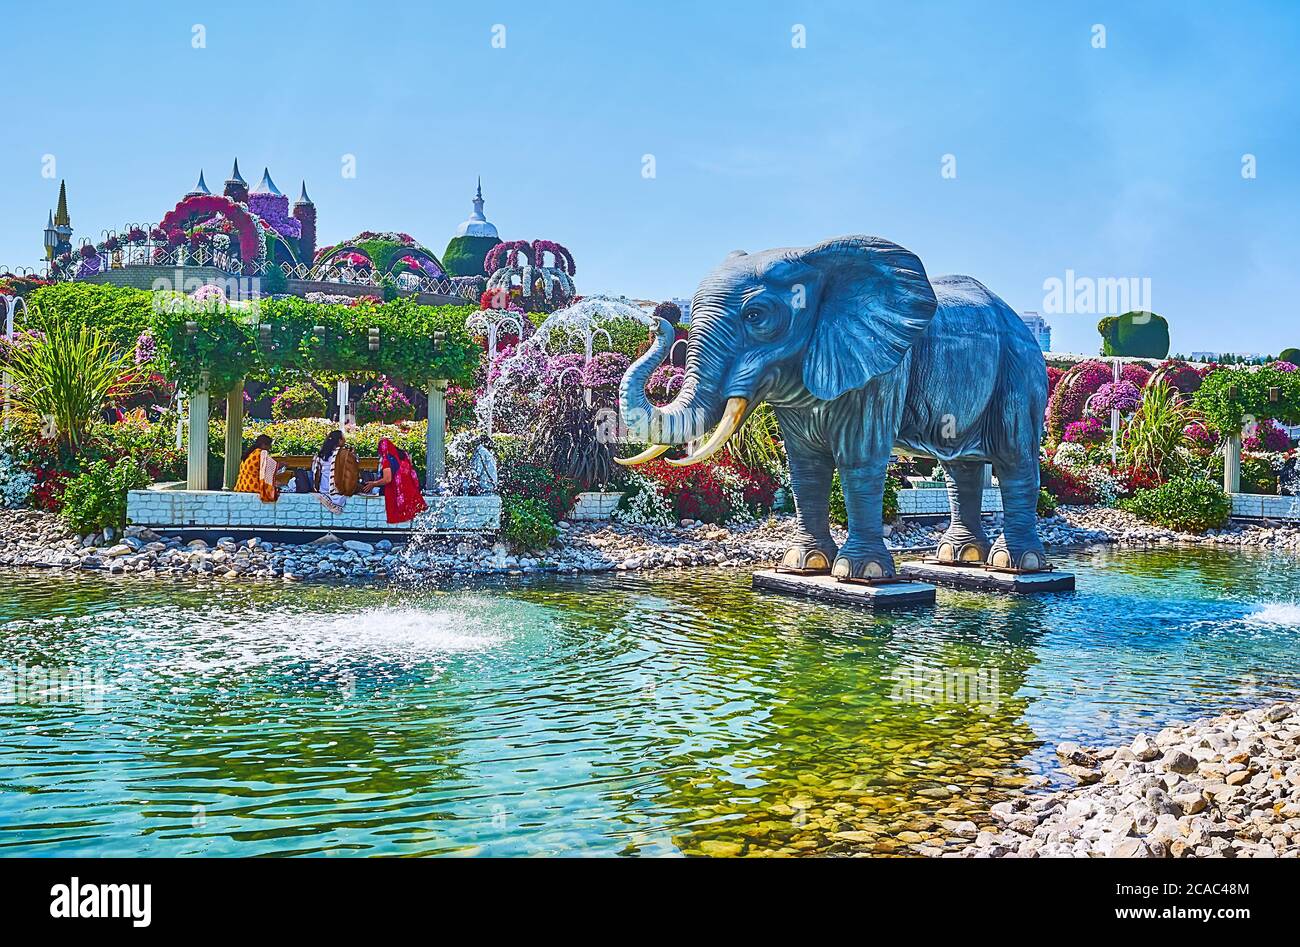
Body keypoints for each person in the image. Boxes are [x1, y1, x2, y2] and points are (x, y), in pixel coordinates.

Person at [369, 437, 428, 524]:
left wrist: (373, 484)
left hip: (396, 492)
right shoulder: (403, 455)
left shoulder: (387, 460)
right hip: (411, 492)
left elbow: (387, 479)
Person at [233, 434, 281, 502]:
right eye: (269, 445)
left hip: (241, 486)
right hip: (252, 486)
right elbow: (270, 466)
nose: (270, 447)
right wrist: (281, 465)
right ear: (263, 444)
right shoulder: (261, 452)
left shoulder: (250, 453)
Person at [310, 430, 349, 514]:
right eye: (343, 438)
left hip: (323, 489)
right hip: (338, 491)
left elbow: (315, 473)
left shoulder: (320, 455)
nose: (345, 440)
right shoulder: (344, 454)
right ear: (339, 441)